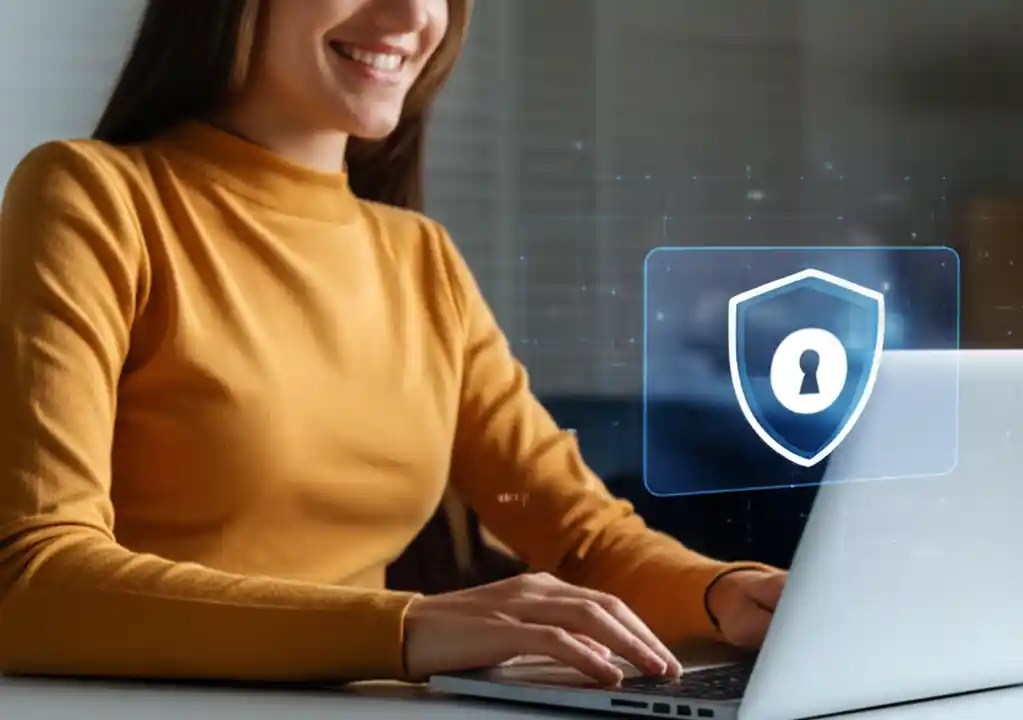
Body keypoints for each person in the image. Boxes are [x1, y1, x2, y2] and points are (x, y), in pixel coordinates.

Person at [0, 0, 785, 686]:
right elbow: (32, 580)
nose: (413, 15)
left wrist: (731, 594)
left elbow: (579, 538)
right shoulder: (93, 198)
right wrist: (407, 628)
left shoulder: (422, 259)